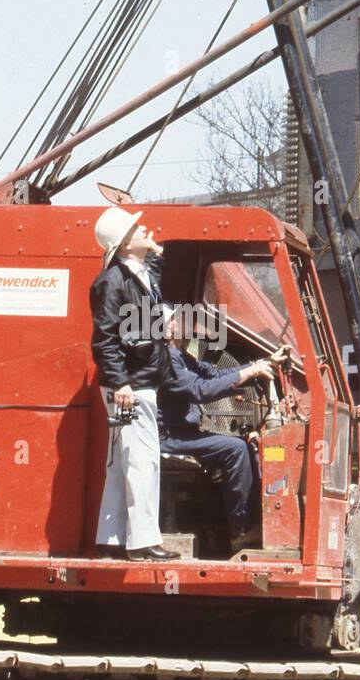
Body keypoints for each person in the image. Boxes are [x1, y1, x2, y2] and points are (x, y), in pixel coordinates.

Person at [89, 206, 179, 561]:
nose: (145, 229)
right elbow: (104, 339)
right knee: (143, 461)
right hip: (131, 383)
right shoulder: (114, 281)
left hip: (134, 381)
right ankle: (143, 541)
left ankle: (109, 540)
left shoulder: (135, 274)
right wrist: (120, 383)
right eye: (136, 228)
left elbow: (153, 274)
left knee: (121, 462)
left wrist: (157, 251)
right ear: (125, 243)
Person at [158, 310, 286, 552]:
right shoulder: (166, 358)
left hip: (183, 433)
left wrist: (261, 364)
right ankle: (241, 530)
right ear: (168, 327)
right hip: (168, 437)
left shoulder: (183, 357)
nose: (186, 323)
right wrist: (249, 372)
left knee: (245, 445)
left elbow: (216, 374)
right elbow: (200, 390)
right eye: (178, 319)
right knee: (235, 449)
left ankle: (250, 521)